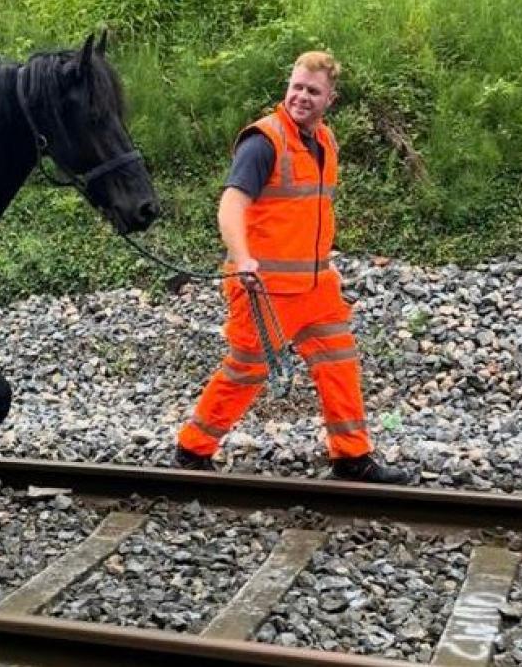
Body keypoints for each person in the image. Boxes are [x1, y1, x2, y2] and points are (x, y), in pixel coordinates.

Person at [174, 51, 410, 484]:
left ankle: (352, 457)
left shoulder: (325, 142)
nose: (301, 96)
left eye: (312, 91)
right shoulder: (264, 141)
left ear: (330, 99)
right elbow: (231, 204)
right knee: (246, 370)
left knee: (339, 361)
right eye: (296, 87)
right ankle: (192, 449)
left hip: (316, 286)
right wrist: (242, 257)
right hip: (265, 288)